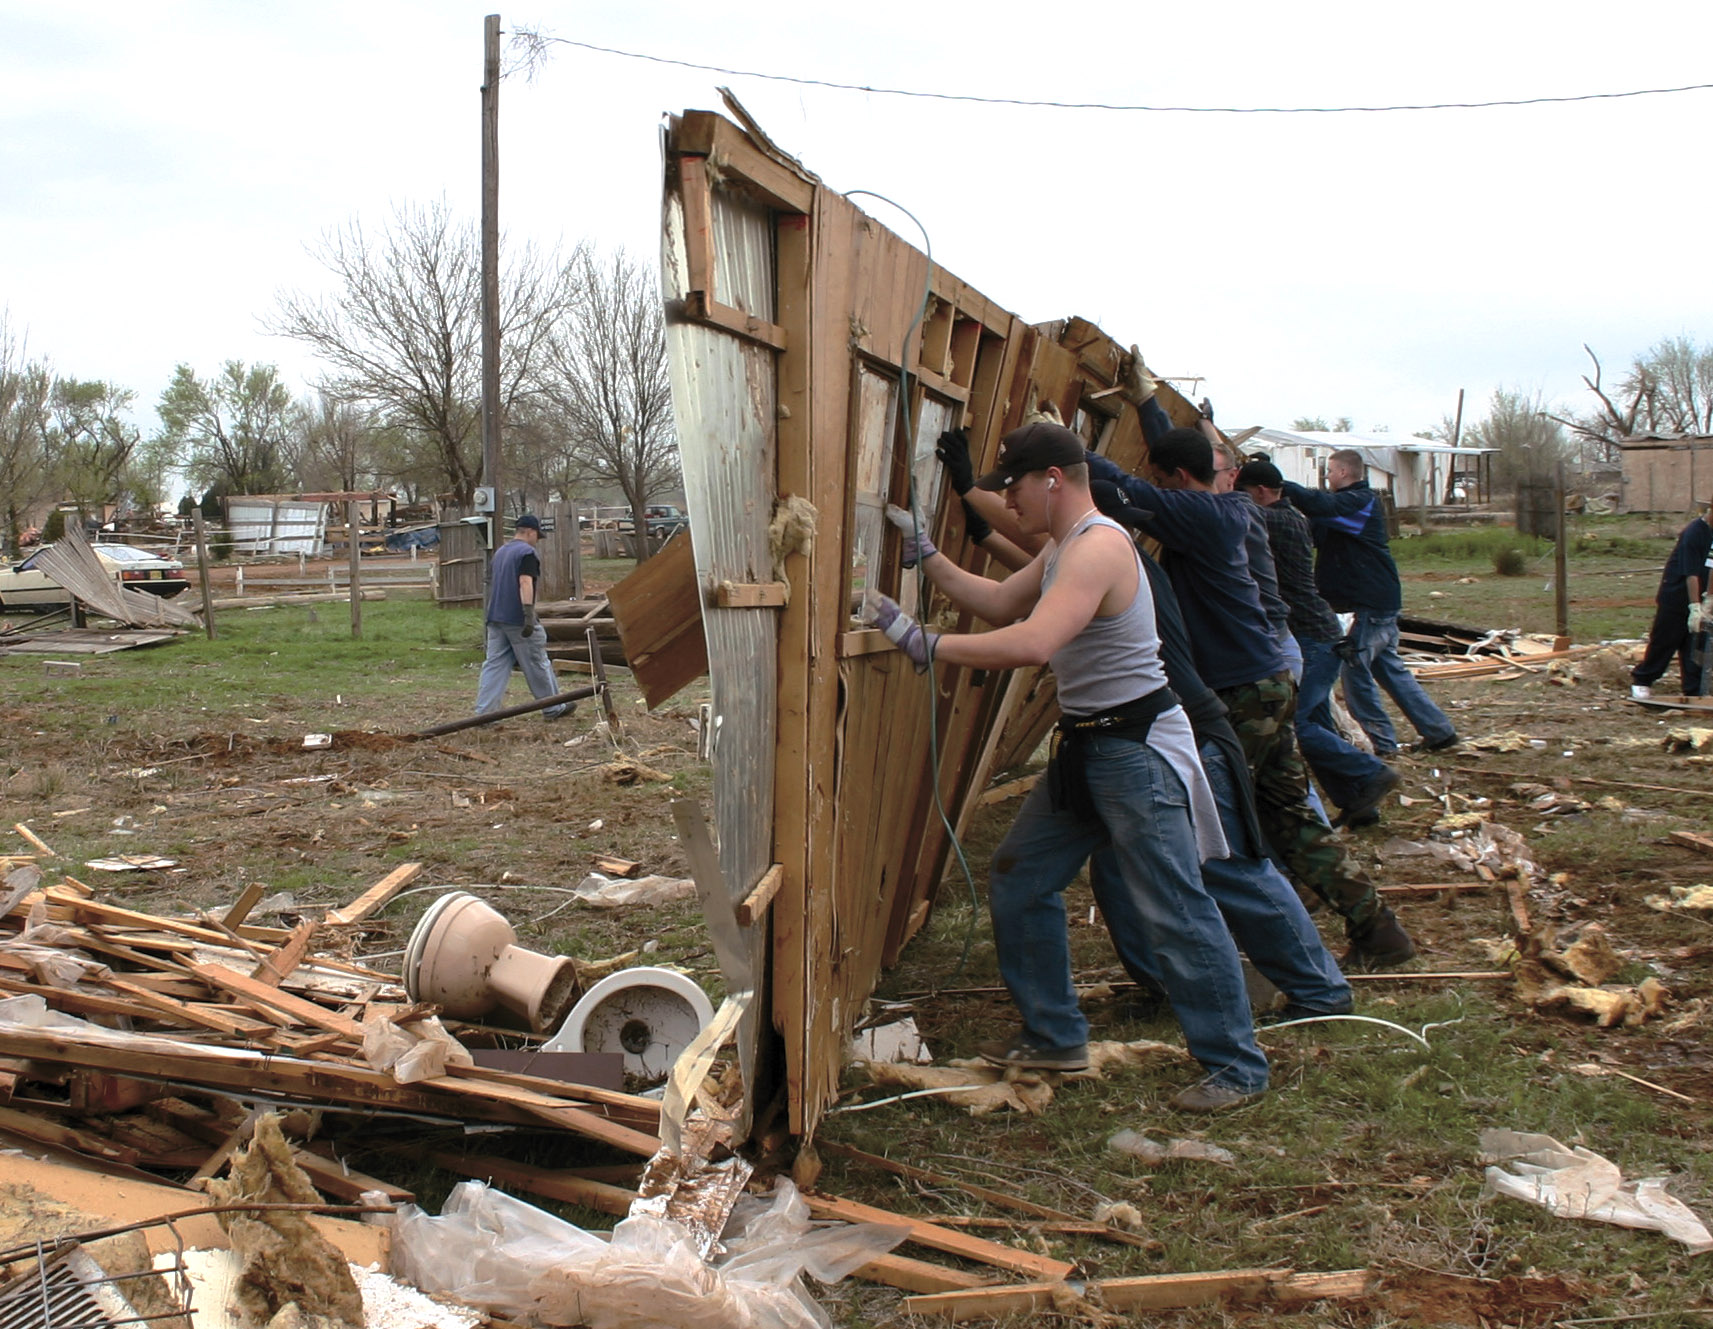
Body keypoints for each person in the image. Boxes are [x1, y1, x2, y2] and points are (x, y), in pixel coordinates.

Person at [871, 420, 1270, 1111]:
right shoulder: (1064, 545)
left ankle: (1236, 1064)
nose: (1007, 501)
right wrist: (926, 555)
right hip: (1089, 743)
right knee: (1021, 877)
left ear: (1052, 479)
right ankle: (1054, 1034)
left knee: (1174, 908)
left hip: (1135, 750)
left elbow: (1033, 641)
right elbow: (1001, 601)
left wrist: (926, 644)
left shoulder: (1099, 547)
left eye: (1014, 487)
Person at [1083, 428, 1415, 969]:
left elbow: (1126, 489)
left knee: (1215, 829)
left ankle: (1258, 953)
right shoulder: (1224, 510)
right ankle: (1378, 929)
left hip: (1239, 692)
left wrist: (1072, 451)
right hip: (1264, 682)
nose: (1158, 488)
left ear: (1180, 478)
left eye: (1163, 479)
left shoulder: (1205, 515)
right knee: (1290, 817)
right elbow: (1141, 489)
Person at [1236, 459, 1399, 828]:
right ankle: (1359, 801)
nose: (1238, 499)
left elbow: (1222, 514)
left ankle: (1371, 772)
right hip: (1318, 635)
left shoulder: (1274, 520)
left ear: (1260, 492)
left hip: (1314, 638)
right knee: (1318, 723)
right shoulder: (1288, 517)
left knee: (1298, 723)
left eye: (1242, 492)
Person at [1280, 450, 1459, 756]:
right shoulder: (1342, 509)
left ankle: (1381, 744)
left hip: (1369, 603)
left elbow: (1319, 504)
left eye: (1330, 471)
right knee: (1390, 670)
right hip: (1374, 600)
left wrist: (1280, 484)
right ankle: (1439, 733)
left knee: (1355, 672)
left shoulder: (1360, 502)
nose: (1327, 477)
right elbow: (1314, 527)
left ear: (1344, 472)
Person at [474, 514, 573, 721]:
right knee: (537, 662)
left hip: (495, 616)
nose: (537, 540)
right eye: (537, 535)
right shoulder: (527, 553)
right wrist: (528, 613)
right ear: (530, 532)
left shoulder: (501, 552)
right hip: (517, 617)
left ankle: (485, 714)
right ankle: (552, 707)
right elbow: (525, 582)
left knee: (495, 665)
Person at [1630, 498, 1713, 699]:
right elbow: (1691, 574)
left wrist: (1709, 599)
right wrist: (1694, 607)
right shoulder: (1694, 533)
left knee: (1696, 644)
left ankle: (1693, 689)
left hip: (1701, 594)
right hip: (1676, 595)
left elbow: (1712, 568)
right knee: (1666, 640)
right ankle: (1643, 680)